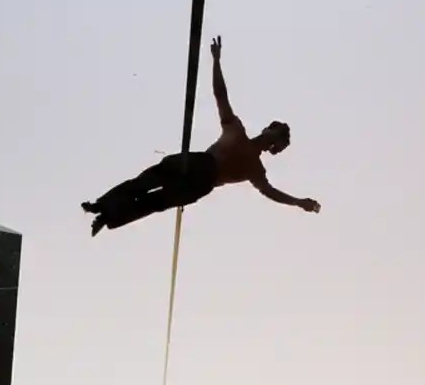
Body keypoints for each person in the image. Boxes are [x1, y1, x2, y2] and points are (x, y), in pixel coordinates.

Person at [82, 35, 321, 237]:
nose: (271, 138)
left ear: (274, 148)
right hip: (200, 164)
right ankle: (103, 208)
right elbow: (220, 95)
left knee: (155, 201)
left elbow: (272, 193)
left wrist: (298, 202)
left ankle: (108, 216)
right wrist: (216, 61)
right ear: (267, 129)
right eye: (274, 131)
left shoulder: (255, 168)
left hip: (202, 182)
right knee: (145, 183)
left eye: (276, 140)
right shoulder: (236, 131)